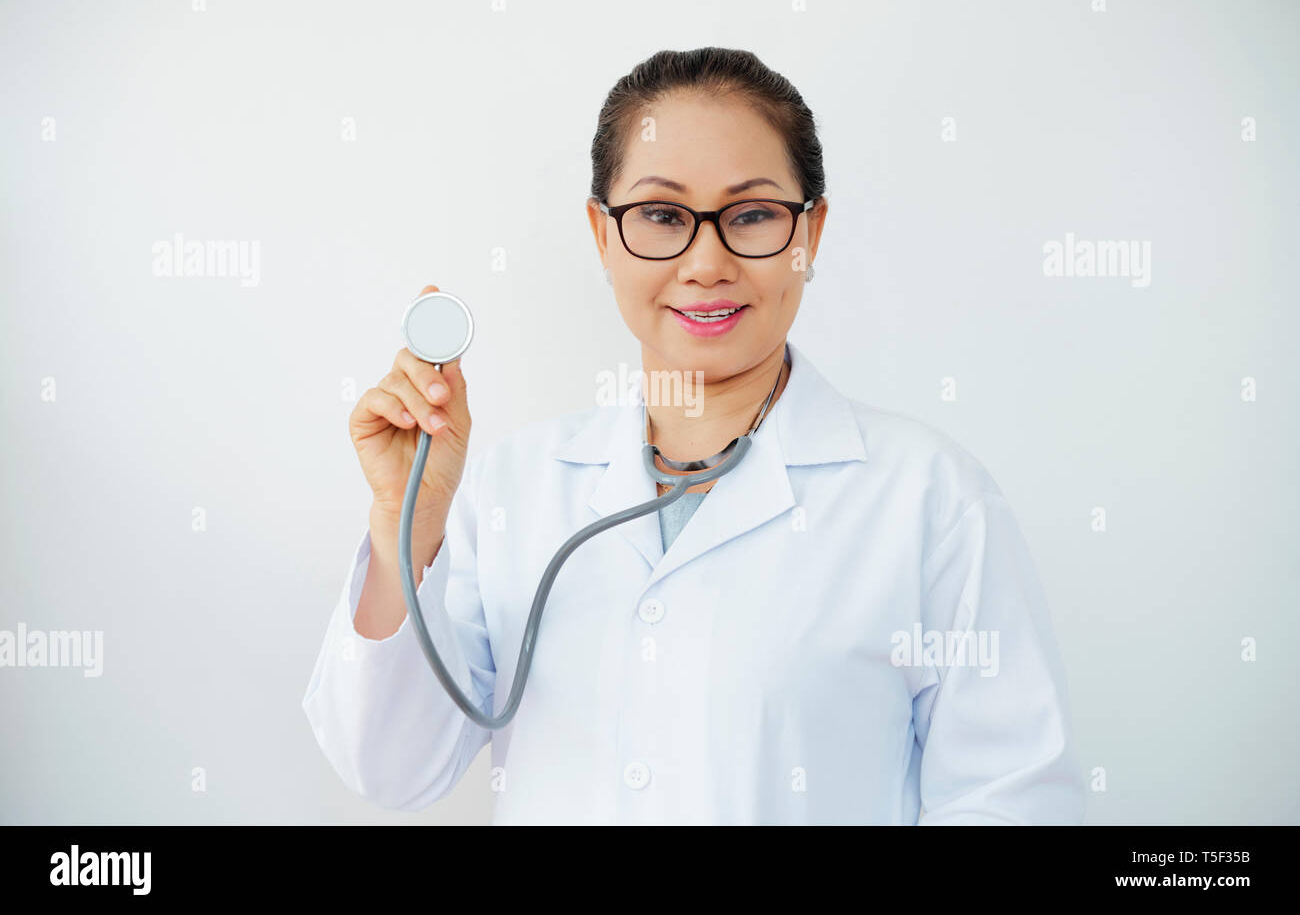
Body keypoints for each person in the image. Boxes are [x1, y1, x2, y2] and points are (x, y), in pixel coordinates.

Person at [301, 47, 1087, 824]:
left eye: (751, 215)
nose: (706, 261)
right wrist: (408, 520)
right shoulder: (518, 486)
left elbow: (1008, 801)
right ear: (602, 236)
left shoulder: (930, 499)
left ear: (809, 231)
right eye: (662, 216)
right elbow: (392, 767)